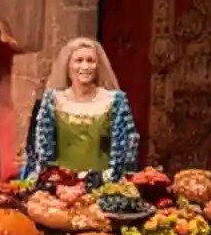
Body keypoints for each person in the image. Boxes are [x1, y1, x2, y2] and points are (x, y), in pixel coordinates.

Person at [21, 37, 139, 181]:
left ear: (98, 66)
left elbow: (127, 148)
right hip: (60, 187)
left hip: (103, 186)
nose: (85, 66)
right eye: (79, 60)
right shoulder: (53, 100)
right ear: (68, 65)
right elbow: (41, 150)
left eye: (90, 61)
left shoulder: (114, 101)